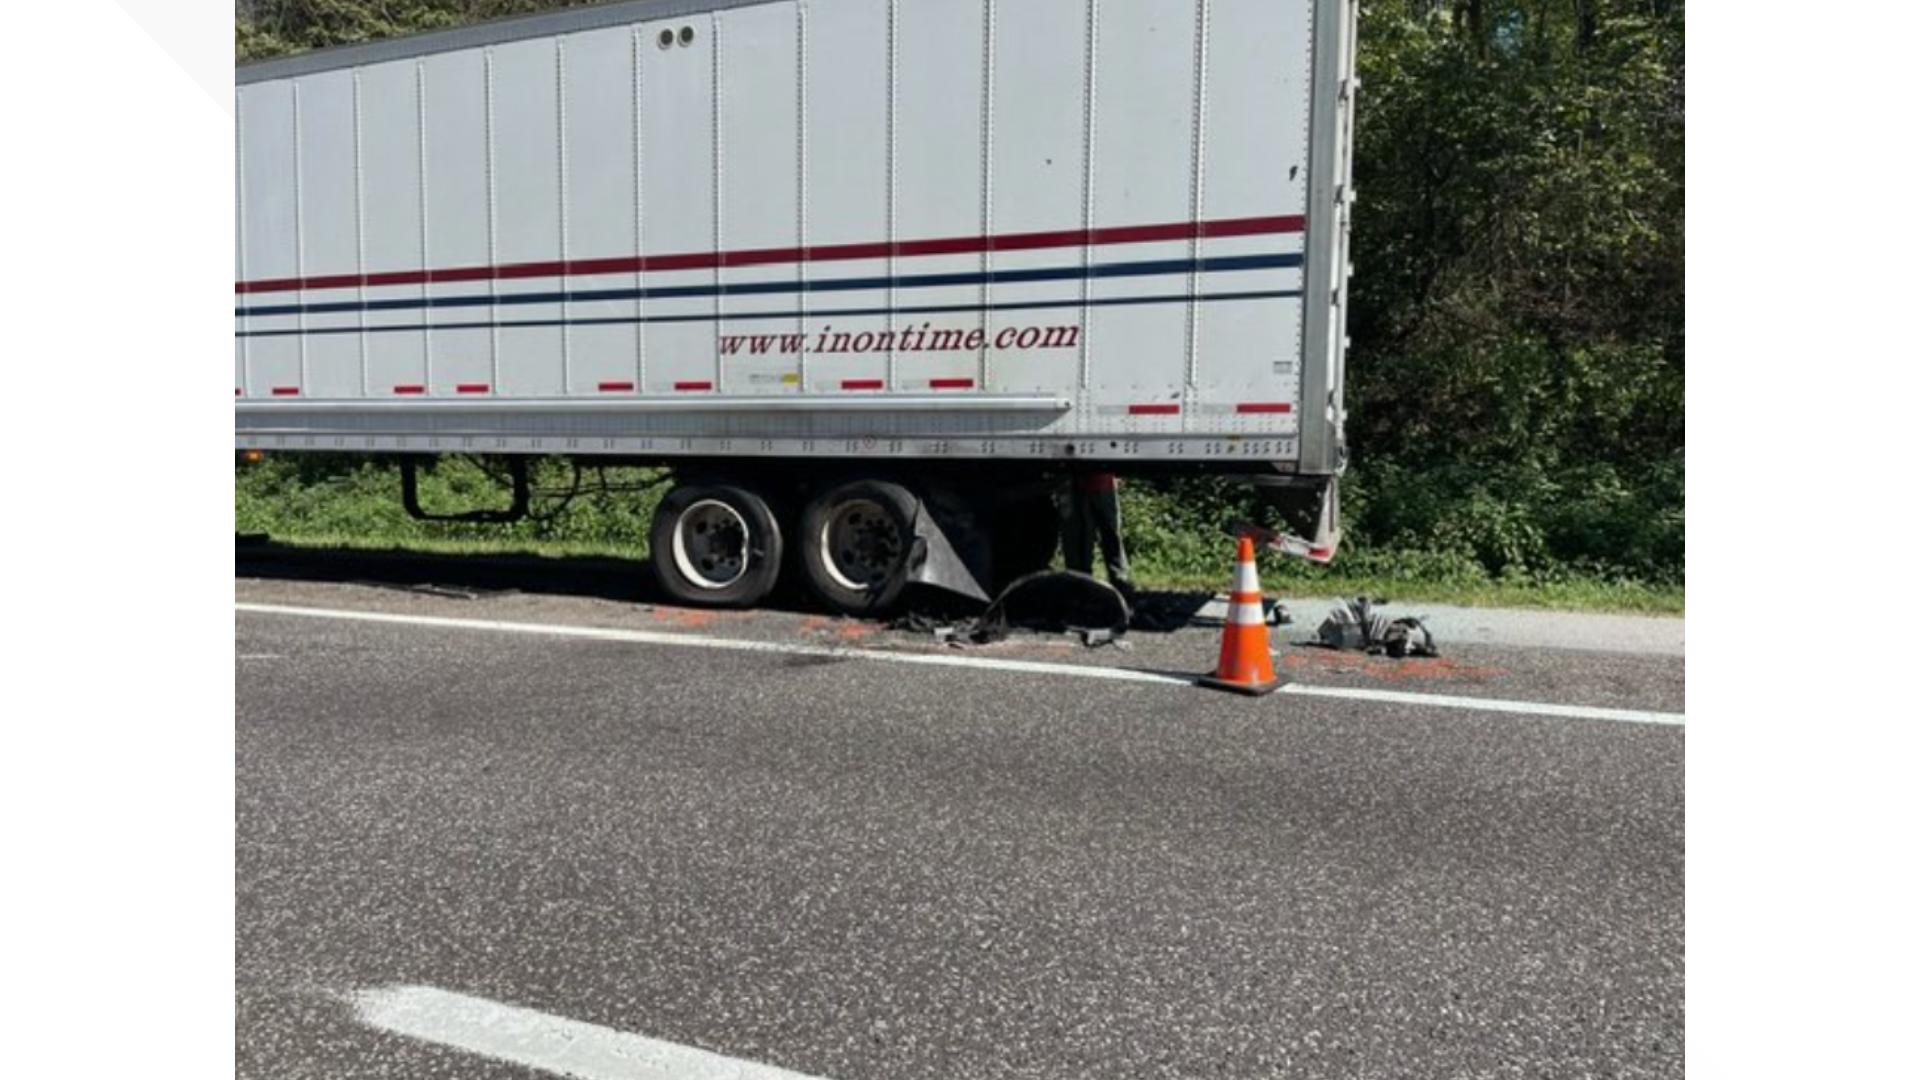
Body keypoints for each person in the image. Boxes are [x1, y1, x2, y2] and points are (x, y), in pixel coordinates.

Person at [1059, 470, 1136, 602]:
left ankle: (1117, 580)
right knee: (1082, 537)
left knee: (1108, 535)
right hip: (1080, 483)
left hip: (1099, 482)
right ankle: (1082, 581)